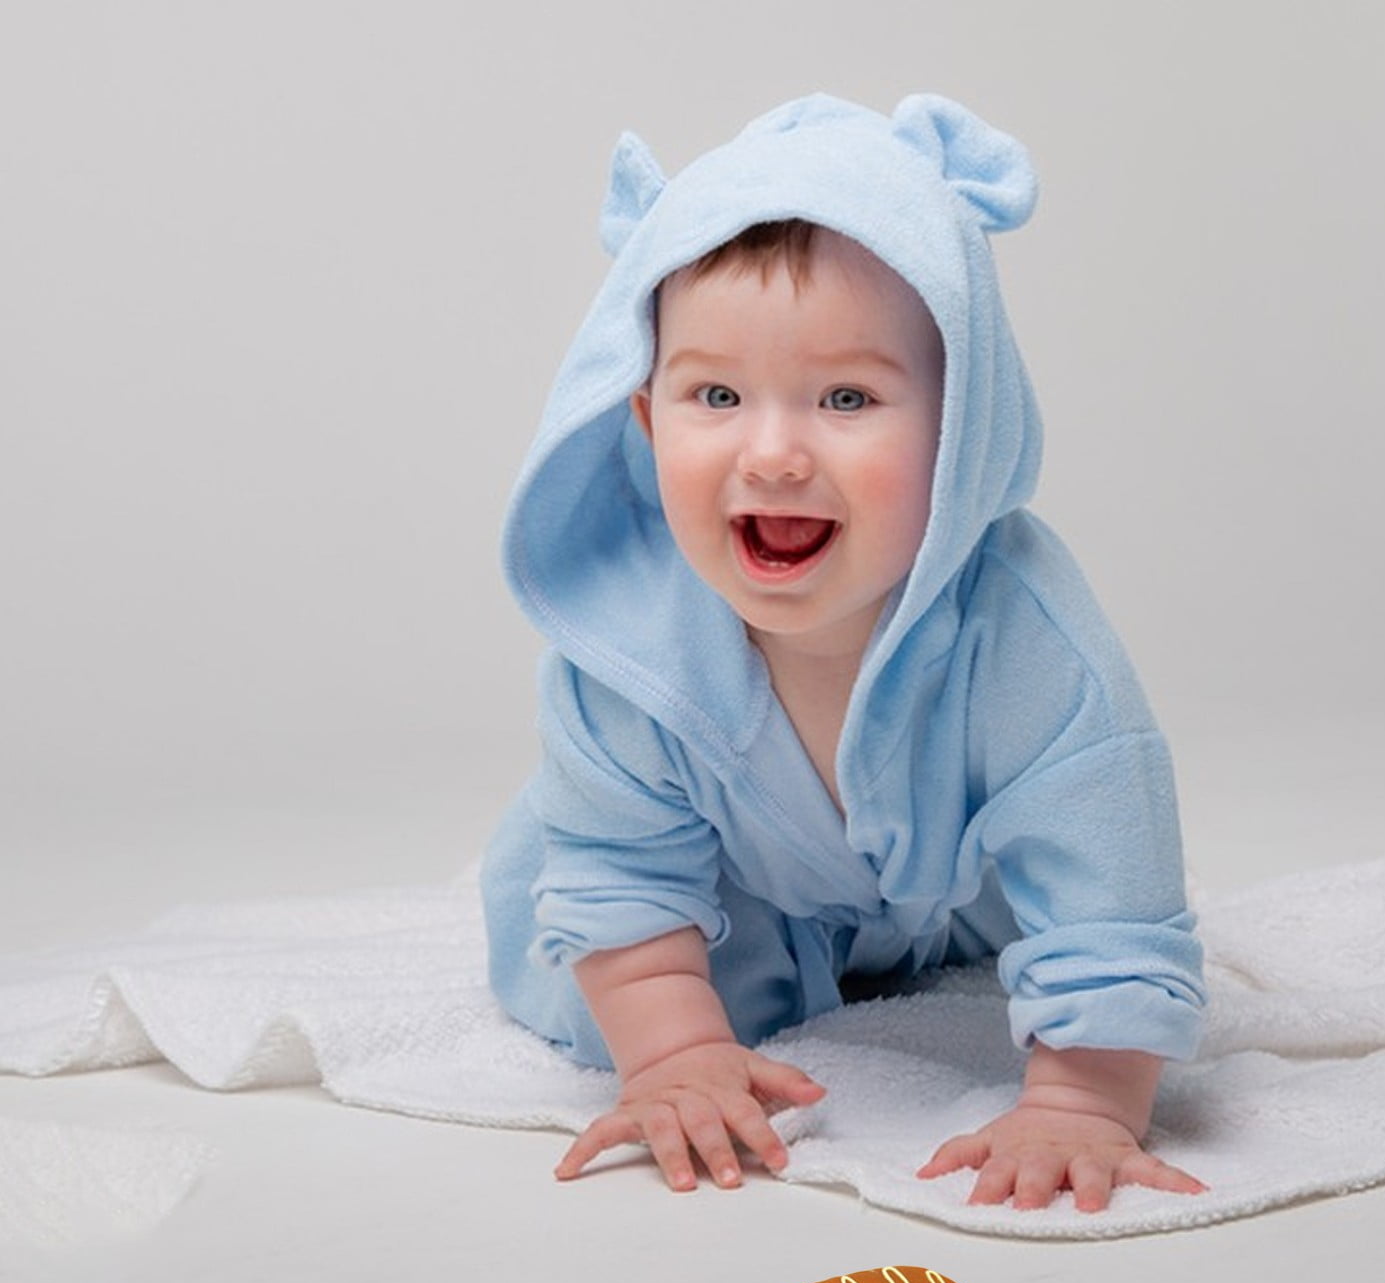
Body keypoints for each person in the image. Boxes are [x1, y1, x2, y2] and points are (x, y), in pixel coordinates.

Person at [481, 94, 1207, 1212]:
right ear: (645, 419)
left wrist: (1083, 1102)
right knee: (598, 955)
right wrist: (676, 1055)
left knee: (1064, 919)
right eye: (716, 394)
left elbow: (1109, 871)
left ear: (960, 429)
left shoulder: (1025, 637)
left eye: (847, 396)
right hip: (725, 888)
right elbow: (620, 874)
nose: (773, 453)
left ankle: (953, 976)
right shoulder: (628, 643)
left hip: (935, 889)